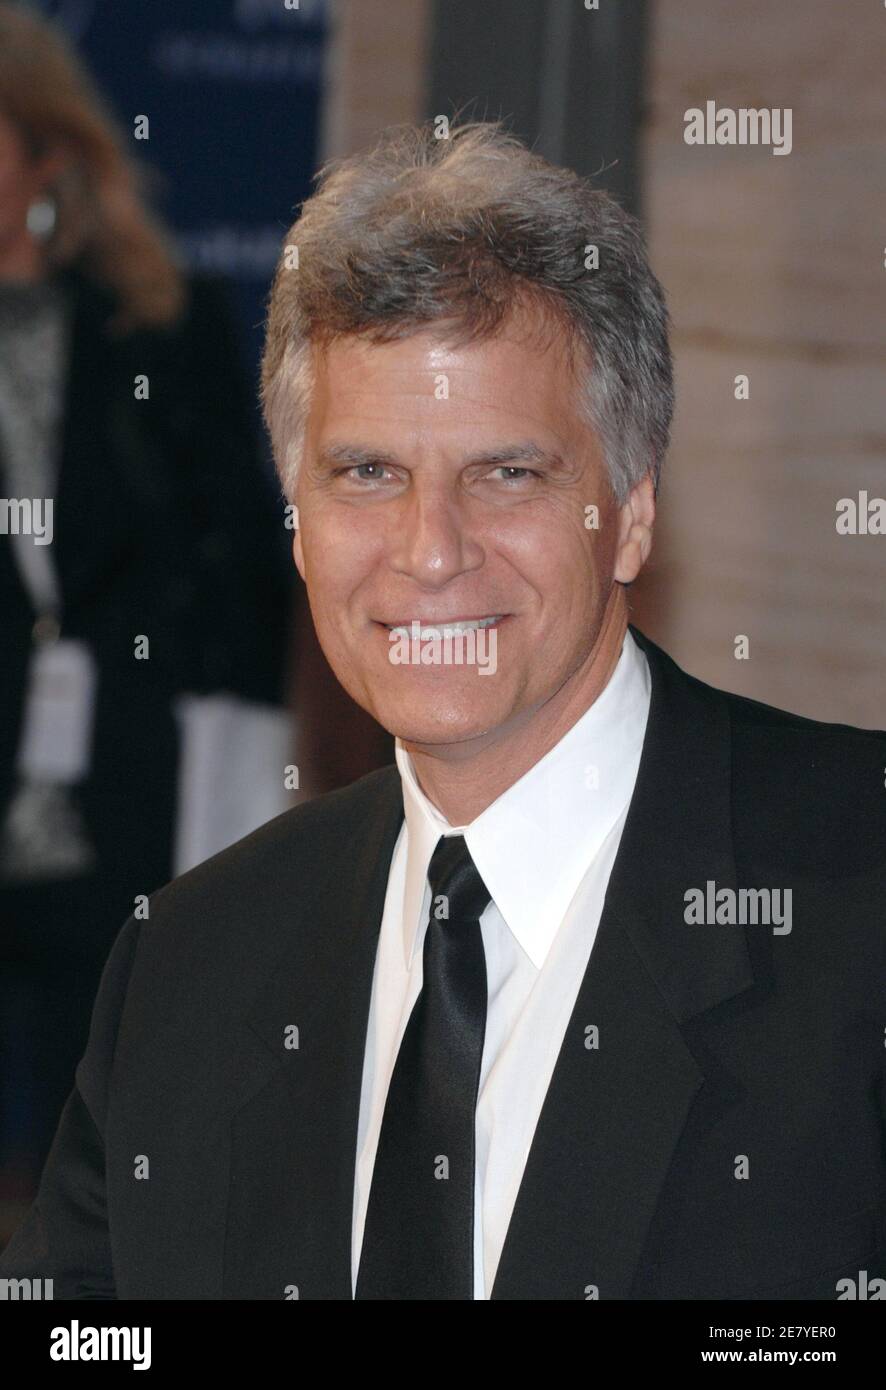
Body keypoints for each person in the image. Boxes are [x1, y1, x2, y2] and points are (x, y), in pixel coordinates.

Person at [1, 118, 884, 1301]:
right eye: (367, 473)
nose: (428, 554)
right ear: (297, 520)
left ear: (629, 512)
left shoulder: (855, 898)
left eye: (506, 472)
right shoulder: (187, 965)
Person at [0, 3, 291, 1228]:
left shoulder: (158, 329)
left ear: (47, 158)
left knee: (101, 1114)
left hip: (116, 778)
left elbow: (240, 568)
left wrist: (233, 780)